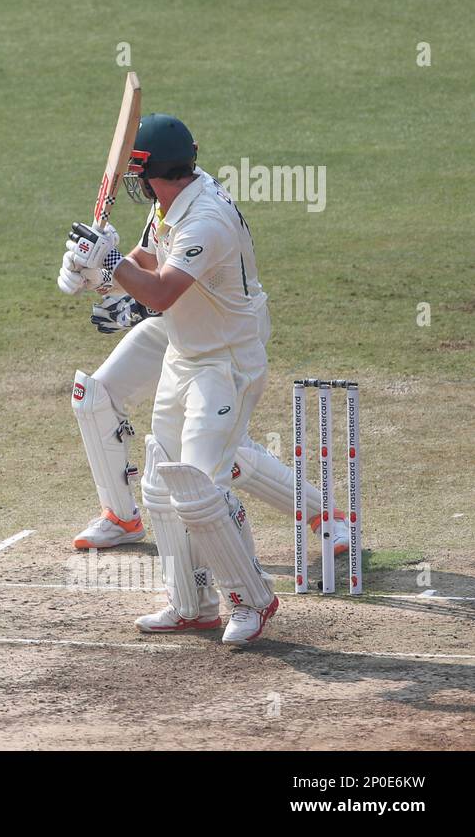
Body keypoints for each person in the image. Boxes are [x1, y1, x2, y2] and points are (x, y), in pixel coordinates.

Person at [60, 114, 280, 644]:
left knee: (200, 488)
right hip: (187, 354)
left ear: (147, 172)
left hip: (226, 364)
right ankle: (191, 606)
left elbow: (158, 292)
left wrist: (109, 259)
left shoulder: (206, 219)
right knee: (162, 486)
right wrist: (91, 269)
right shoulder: (170, 203)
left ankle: (253, 600)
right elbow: (142, 261)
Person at [68, 288, 349, 554]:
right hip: (176, 322)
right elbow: (147, 259)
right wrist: (100, 273)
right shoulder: (166, 233)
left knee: (217, 447)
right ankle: (120, 517)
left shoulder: (211, 233)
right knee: (94, 396)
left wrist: (140, 304)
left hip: (224, 329)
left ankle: (323, 513)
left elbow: (178, 283)